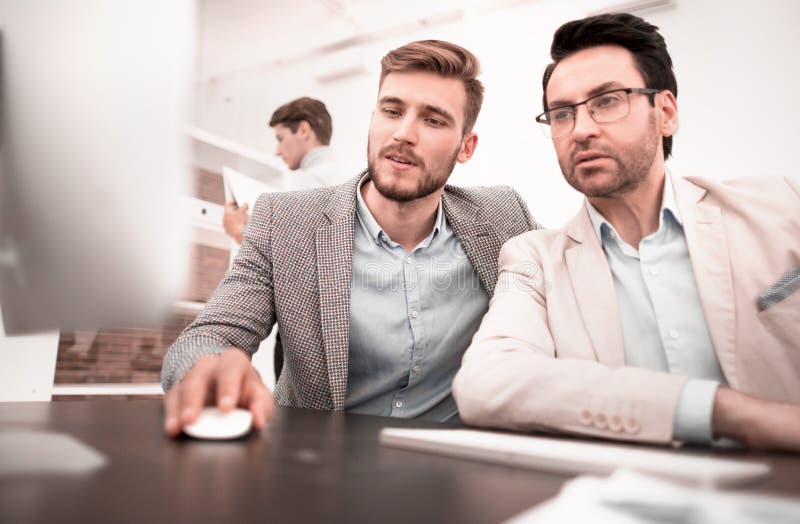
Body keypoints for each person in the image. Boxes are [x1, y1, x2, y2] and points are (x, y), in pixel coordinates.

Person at [453, 13, 800, 450]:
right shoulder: (534, 259)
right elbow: (485, 382)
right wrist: (726, 412)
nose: (581, 129)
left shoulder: (783, 207)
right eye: (562, 113)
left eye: (608, 101)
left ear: (666, 113)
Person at [162, 39, 540, 436]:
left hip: (457, 469)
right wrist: (208, 367)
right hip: (320, 468)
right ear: (373, 116)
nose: (403, 134)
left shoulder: (503, 215)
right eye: (392, 111)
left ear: (466, 147)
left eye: (433, 120)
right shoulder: (285, 221)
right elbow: (209, 335)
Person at [222, 97, 345, 244]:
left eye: (280, 139)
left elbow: (290, 260)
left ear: (303, 130)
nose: (278, 151)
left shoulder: (308, 180)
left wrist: (238, 231)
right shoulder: (348, 177)